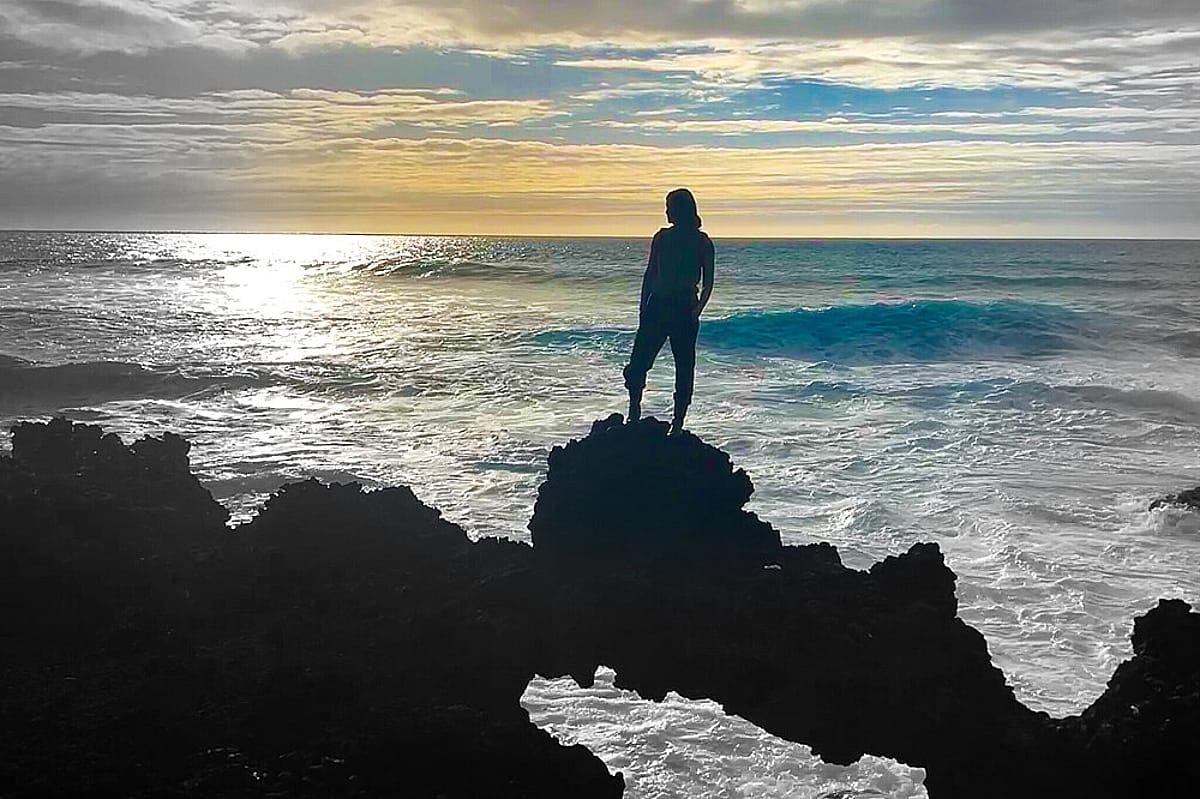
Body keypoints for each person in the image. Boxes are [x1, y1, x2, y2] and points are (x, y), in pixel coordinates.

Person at [623, 188, 715, 434]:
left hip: (684, 308)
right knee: (638, 363)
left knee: (684, 368)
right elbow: (650, 274)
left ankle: (678, 423)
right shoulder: (661, 238)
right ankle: (633, 411)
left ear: (680, 209)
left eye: (669, 206)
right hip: (658, 306)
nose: (666, 211)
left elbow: (708, 282)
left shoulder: (702, 241)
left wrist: (698, 309)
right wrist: (643, 308)